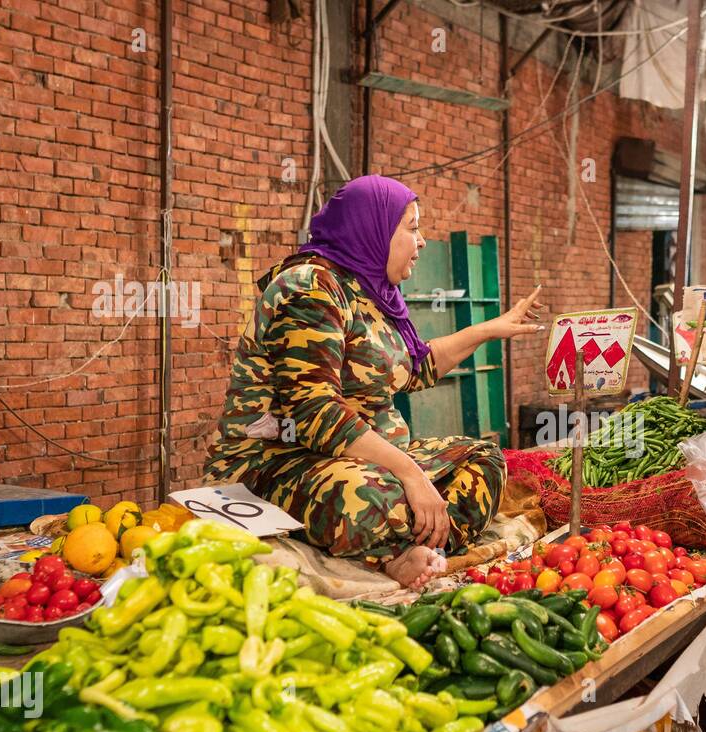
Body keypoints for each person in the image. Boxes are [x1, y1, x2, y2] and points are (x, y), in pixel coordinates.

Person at [204, 175, 544, 589]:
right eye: (413, 227)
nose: (421, 241)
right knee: (365, 492)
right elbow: (315, 413)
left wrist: (489, 329)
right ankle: (396, 553)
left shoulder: (370, 292)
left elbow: (415, 369)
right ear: (374, 228)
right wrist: (412, 475)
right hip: (277, 461)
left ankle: (424, 545)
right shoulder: (309, 287)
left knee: (483, 460)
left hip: (369, 456)